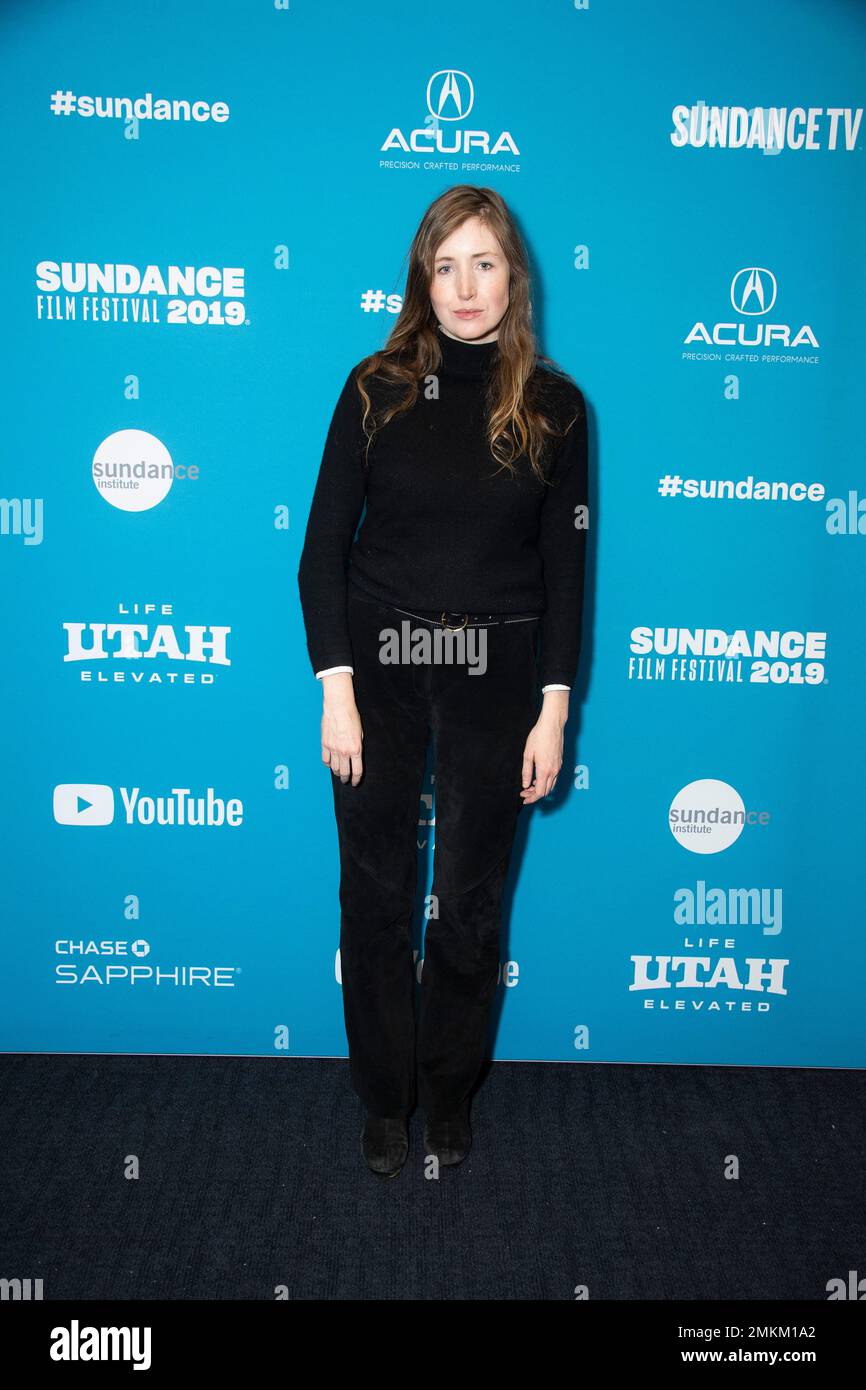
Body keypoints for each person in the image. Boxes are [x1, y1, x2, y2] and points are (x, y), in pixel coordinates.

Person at [297, 184, 589, 1178]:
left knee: (467, 902)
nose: (466, 287)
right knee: (374, 896)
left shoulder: (554, 406)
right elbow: (321, 552)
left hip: (495, 668)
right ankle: (385, 1101)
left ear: (514, 274)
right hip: (377, 666)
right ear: (423, 279)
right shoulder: (375, 386)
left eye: (484, 263)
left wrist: (553, 708)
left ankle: (449, 1093)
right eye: (445, 265)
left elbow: (564, 572)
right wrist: (335, 687)